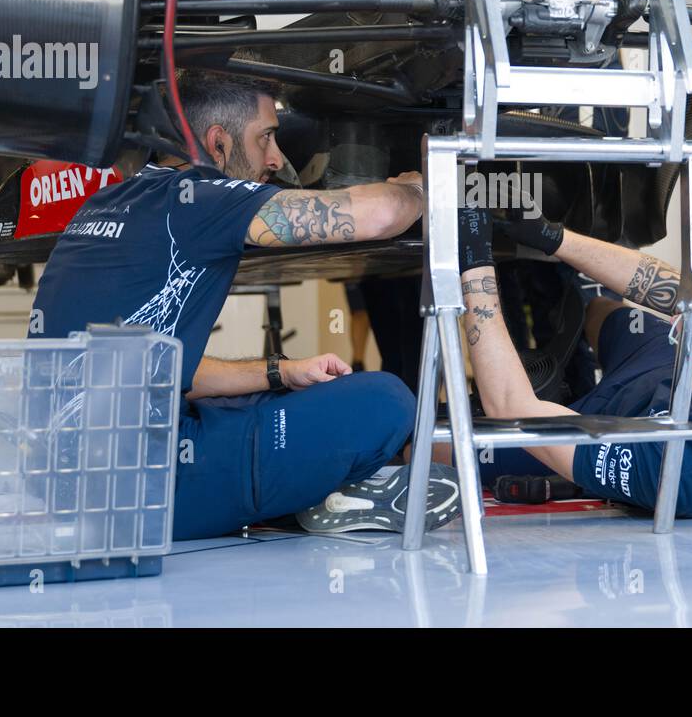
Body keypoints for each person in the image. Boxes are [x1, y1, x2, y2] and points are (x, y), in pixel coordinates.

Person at [27, 72, 460, 538]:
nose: (275, 158)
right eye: (266, 138)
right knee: (386, 401)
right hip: (142, 489)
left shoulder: (109, 201)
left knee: (287, 396)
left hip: (70, 482)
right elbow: (379, 216)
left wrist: (281, 371)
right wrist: (422, 185)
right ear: (218, 144)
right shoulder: (204, 197)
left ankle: (307, 494)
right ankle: (322, 496)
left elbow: (164, 370)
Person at [449, 202, 692, 517]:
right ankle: (575, 354)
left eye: (684, 328)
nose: (676, 319)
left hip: (632, 428)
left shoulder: (681, 473)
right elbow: (680, 293)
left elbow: (508, 405)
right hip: (669, 378)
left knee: (443, 449)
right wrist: (554, 238)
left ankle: (560, 398)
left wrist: (474, 265)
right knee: (600, 310)